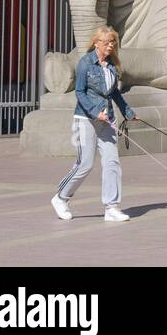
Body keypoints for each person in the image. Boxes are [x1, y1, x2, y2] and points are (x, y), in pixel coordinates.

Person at [51, 25, 136, 222]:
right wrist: (95, 112)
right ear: (96, 43)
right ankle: (61, 198)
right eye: (107, 42)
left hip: (107, 119)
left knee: (112, 161)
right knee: (85, 164)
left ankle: (111, 207)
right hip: (86, 118)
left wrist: (128, 112)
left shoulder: (112, 65)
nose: (110, 46)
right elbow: (79, 92)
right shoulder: (85, 63)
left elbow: (114, 92)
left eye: (113, 42)